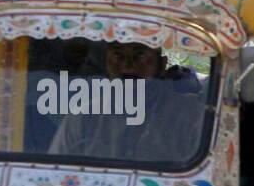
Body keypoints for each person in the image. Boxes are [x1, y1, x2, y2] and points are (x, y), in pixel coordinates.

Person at [49, 42, 203, 162]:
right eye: (118, 56)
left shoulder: (191, 114)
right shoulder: (83, 117)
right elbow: (54, 176)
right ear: (106, 64)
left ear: (162, 65)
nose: (128, 66)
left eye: (140, 55)